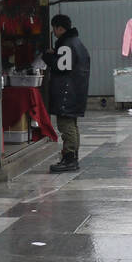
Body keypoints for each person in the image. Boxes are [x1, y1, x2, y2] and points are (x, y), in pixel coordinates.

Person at [43, 14, 91, 173]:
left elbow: (61, 67)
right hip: (76, 92)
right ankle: (72, 157)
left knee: (66, 125)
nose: (53, 32)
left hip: (67, 93)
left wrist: (49, 58)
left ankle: (69, 159)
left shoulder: (67, 44)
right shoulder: (77, 43)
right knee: (72, 125)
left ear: (60, 28)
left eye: (54, 29)